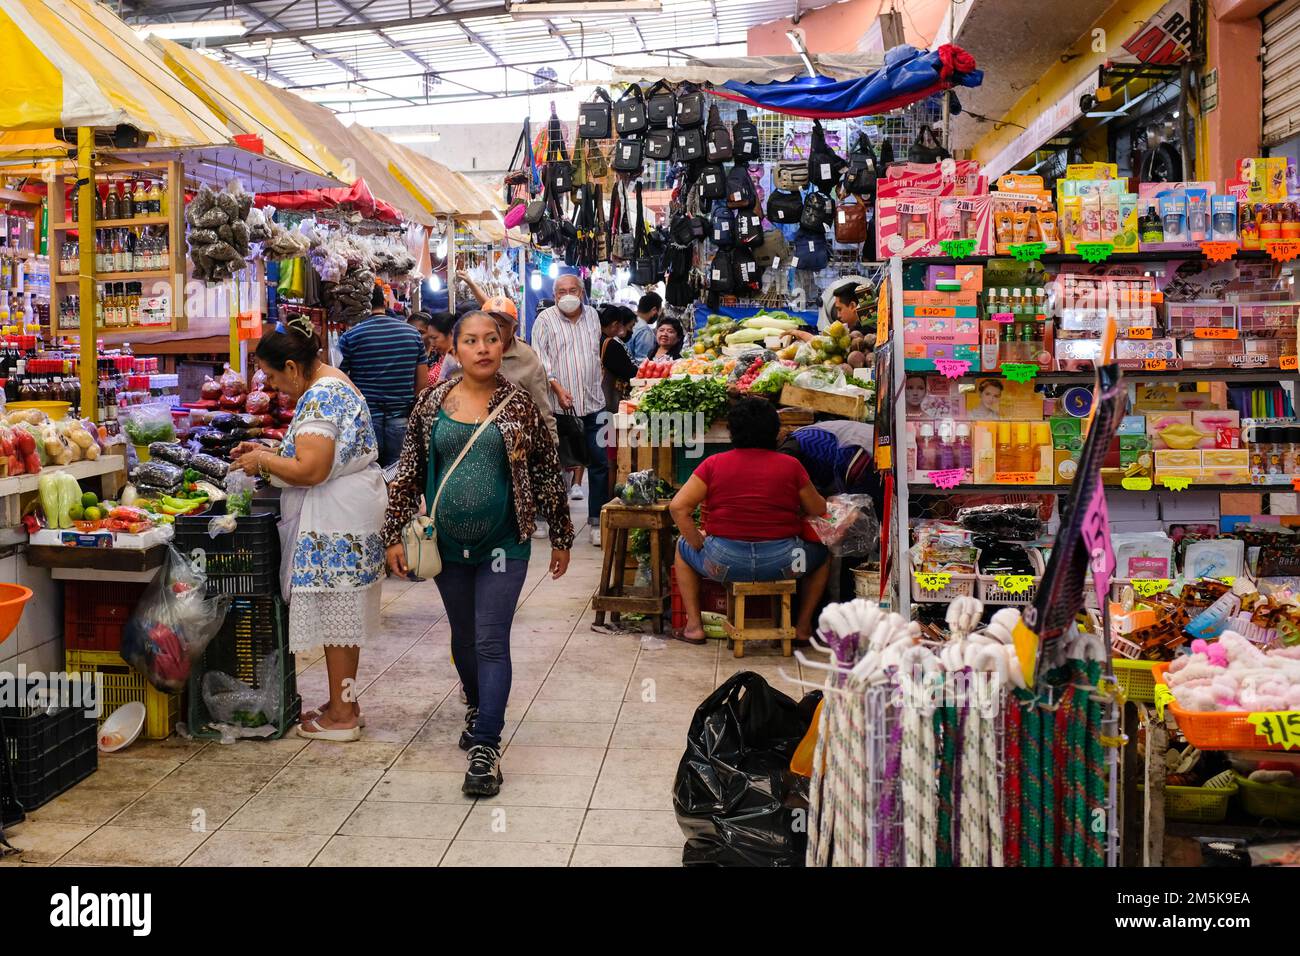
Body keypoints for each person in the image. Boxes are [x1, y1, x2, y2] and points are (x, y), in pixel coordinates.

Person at [383, 311, 574, 797]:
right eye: (472, 341)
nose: (483, 348)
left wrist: (562, 535)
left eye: (492, 339)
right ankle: (476, 703)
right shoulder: (430, 403)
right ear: (455, 349)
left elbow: (549, 470)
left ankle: (486, 746)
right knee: (464, 637)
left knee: (491, 639)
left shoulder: (519, 406)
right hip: (446, 545)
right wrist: (390, 535)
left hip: (504, 545)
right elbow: (407, 472)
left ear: (503, 343)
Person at [230, 316, 386, 742]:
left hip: (336, 517)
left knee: (338, 618)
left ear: (294, 368)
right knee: (344, 618)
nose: (274, 386)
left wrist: (263, 460)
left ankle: (341, 716)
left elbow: (311, 468)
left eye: (273, 376)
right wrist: (268, 451)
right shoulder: (332, 382)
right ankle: (346, 702)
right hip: (348, 511)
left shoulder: (321, 395)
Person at [669, 397, 831, 644]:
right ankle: (802, 627)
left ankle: (694, 627)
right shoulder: (791, 466)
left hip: (723, 564)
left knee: (682, 548)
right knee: (822, 553)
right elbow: (818, 508)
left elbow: (678, 508)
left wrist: (698, 543)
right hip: (785, 563)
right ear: (774, 432)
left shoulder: (713, 464)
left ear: (732, 430)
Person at [531, 273, 609, 546]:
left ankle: (596, 522)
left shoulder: (593, 317)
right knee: (551, 464)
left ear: (582, 292)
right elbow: (541, 361)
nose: (566, 295)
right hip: (557, 408)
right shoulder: (545, 320)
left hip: (593, 404)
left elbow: (592, 354)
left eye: (572, 290)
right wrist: (557, 388)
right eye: (560, 291)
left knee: (599, 462)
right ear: (554, 296)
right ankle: (542, 517)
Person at [338, 284, 430, 469]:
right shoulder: (413, 334)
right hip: (401, 418)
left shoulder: (351, 336)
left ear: (363, 304)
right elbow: (422, 384)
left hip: (367, 420)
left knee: (368, 475)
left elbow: (341, 380)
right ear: (385, 301)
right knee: (399, 476)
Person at [599, 304, 638, 413]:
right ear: (615, 324)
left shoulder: (592, 338)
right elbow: (629, 372)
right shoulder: (611, 344)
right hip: (607, 400)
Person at [626, 291, 661, 363]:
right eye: (659, 312)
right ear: (654, 310)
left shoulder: (628, 322)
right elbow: (642, 361)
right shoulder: (645, 331)